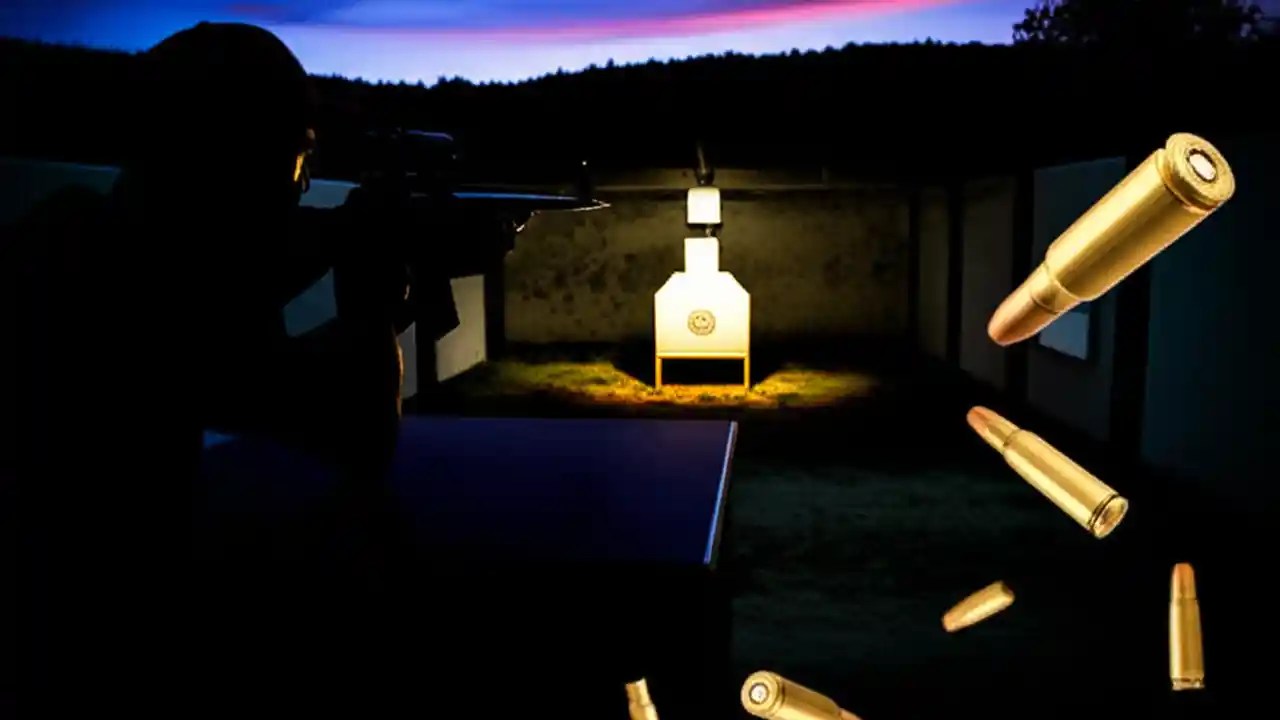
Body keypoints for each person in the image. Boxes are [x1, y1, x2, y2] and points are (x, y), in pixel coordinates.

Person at [1, 22, 412, 715]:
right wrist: (373, 309)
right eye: (292, 163)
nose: (298, 189)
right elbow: (351, 439)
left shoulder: (70, 242)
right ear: (228, 162)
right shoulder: (101, 281)